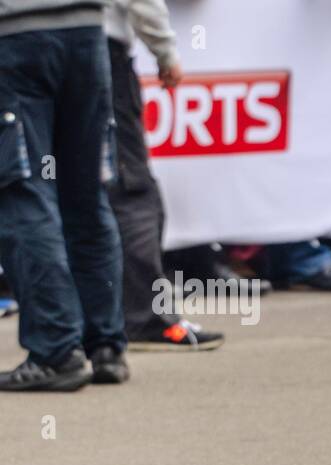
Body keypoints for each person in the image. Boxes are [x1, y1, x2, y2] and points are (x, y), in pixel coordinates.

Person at [0, 0, 128, 391]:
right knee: (85, 195)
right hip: (86, 31)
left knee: (25, 194)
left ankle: (57, 351)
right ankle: (105, 345)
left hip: (16, 36)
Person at [106, 0, 224, 351]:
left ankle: (82, 328)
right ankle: (144, 317)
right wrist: (165, 51)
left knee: (68, 188)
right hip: (93, 50)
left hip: (26, 47)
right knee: (131, 188)